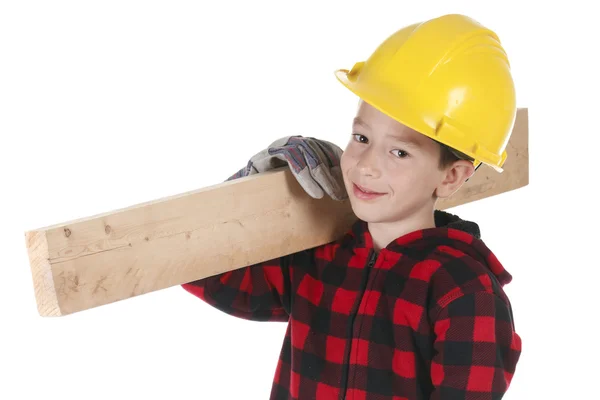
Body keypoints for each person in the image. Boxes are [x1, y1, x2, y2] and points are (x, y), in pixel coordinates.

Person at [183, 13, 522, 400]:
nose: (365, 165)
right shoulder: (321, 257)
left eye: (399, 151)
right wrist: (247, 186)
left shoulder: (462, 291)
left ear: (451, 176)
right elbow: (202, 272)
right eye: (361, 137)